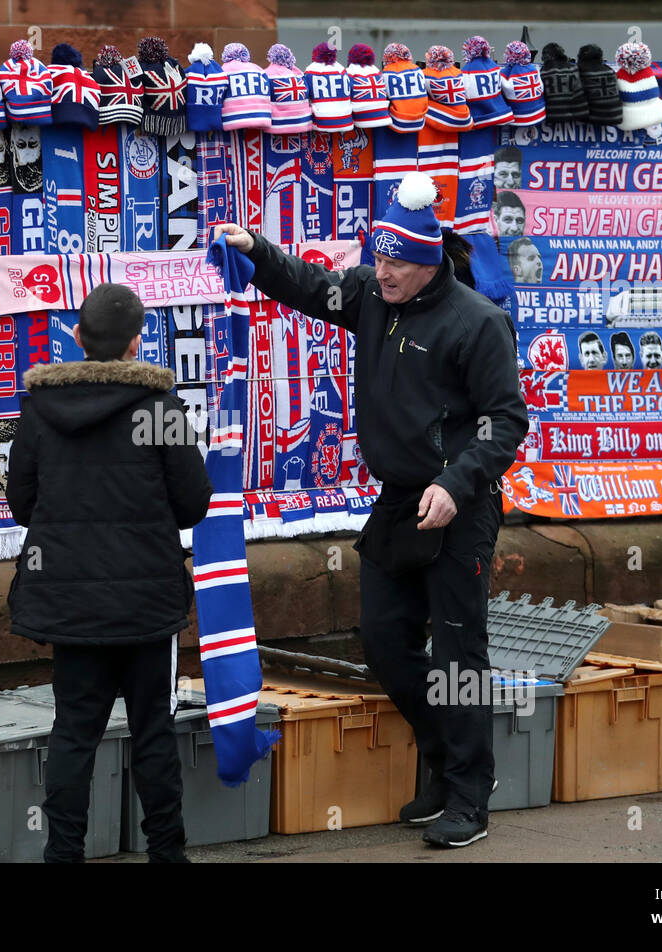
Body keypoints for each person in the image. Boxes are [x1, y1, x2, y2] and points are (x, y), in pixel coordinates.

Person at [214, 170, 528, 849]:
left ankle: (470, 796)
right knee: (383, 639)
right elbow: (308, 285)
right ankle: (443, 760)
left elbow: (505, 423)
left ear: (427, 263)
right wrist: (256, 249)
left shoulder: (478, 323)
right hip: (398, 500)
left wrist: (459, 480)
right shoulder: (370, 295)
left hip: (458, 502)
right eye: (377, 258)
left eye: (394, 263)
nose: (379, 271)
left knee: (456, 656)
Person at [6, 282, 212, 863]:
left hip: (69, 605)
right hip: (147, 605)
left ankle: (63, 855)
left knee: (73, 732)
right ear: (135, 345)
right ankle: (167, 854)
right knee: (152, 731)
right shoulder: (160, 409)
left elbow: (22, 505)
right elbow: (193, 502)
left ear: (77, 338)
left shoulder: (41, 409)